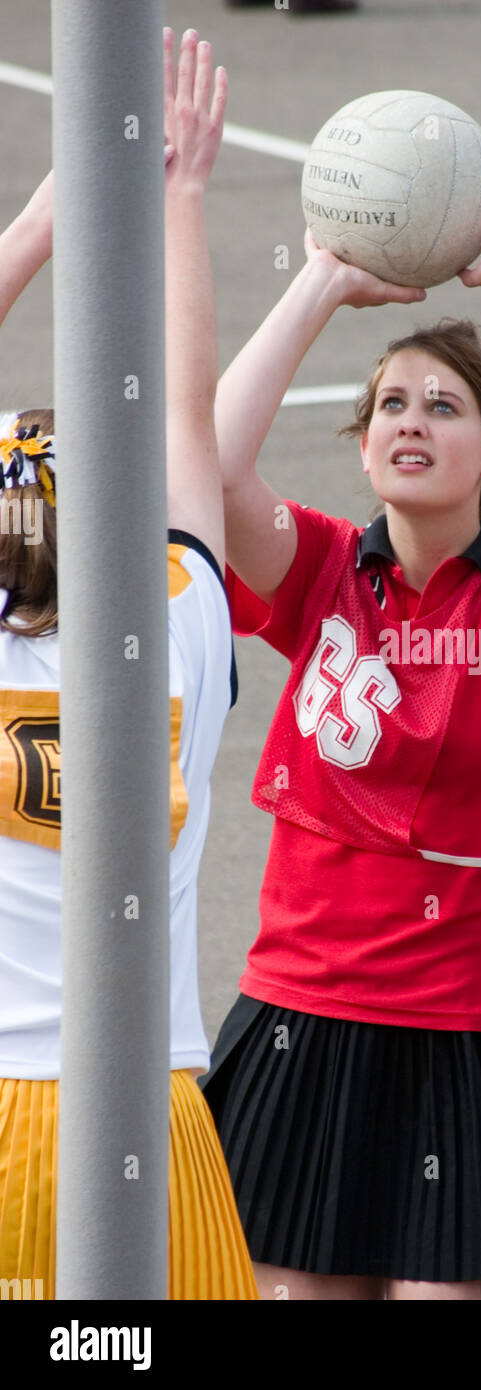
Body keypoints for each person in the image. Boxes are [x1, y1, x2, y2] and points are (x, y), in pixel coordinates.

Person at [201, 163, 481, 1300]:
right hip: (310, 1014)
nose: (410, 419)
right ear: (360, 446)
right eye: (391, 402)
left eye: (443, 408)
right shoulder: (323, 573)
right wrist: (322, 283)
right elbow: (208, 465)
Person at [0, 28, 258, 1300]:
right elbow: (186, 413)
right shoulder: (182, 627)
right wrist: (180, 198)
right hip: (142, 1108)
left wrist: (44, 226)